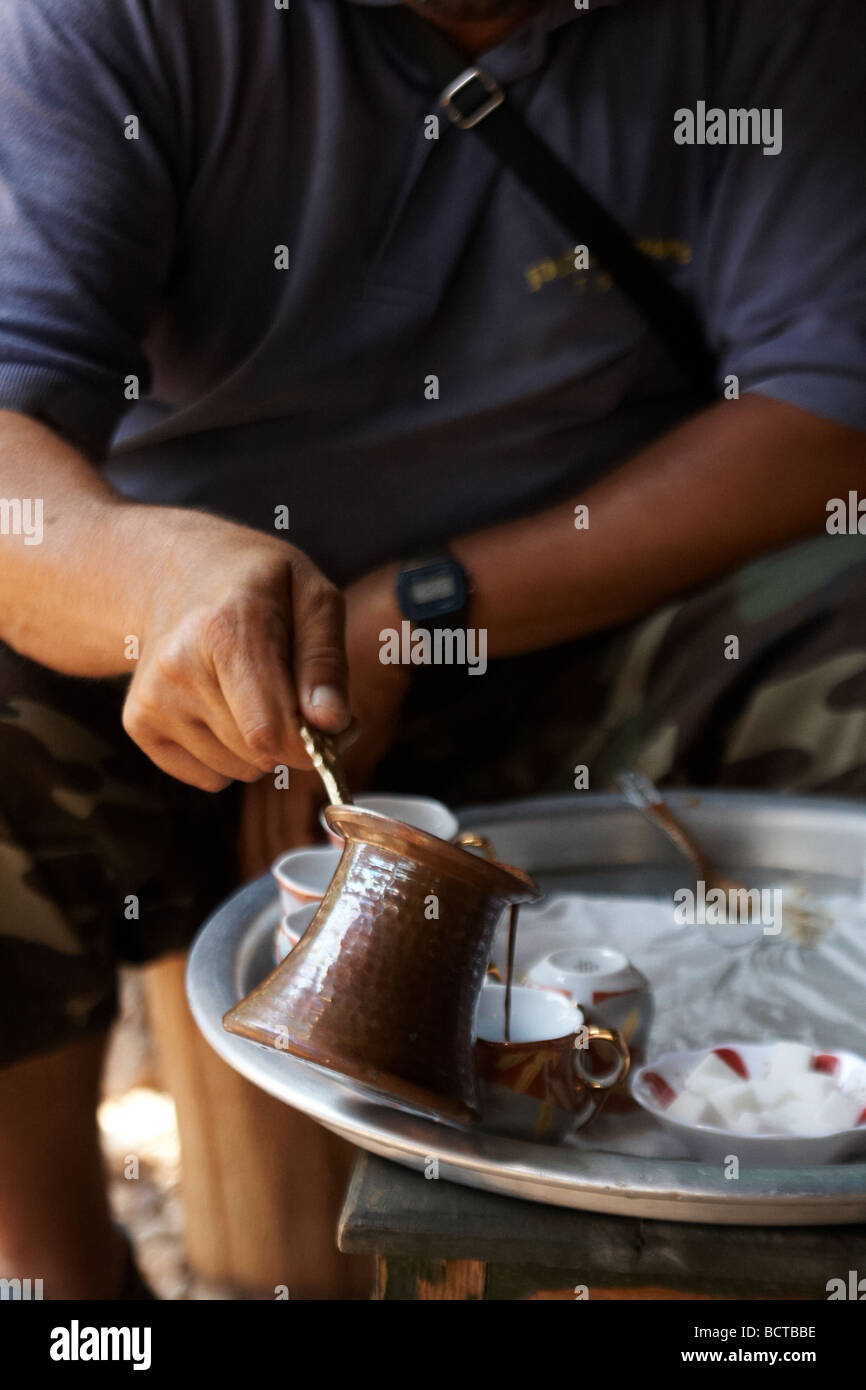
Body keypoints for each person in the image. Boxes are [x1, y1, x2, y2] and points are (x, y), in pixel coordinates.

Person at [0, 0, 864, 1298]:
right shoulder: (105, 23)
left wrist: (418, 609)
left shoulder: (758, 27)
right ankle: (60, 1287)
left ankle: (744, 1252)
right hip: (176, 681)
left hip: (590, 637)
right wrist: (163, 579)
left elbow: (826, 409)